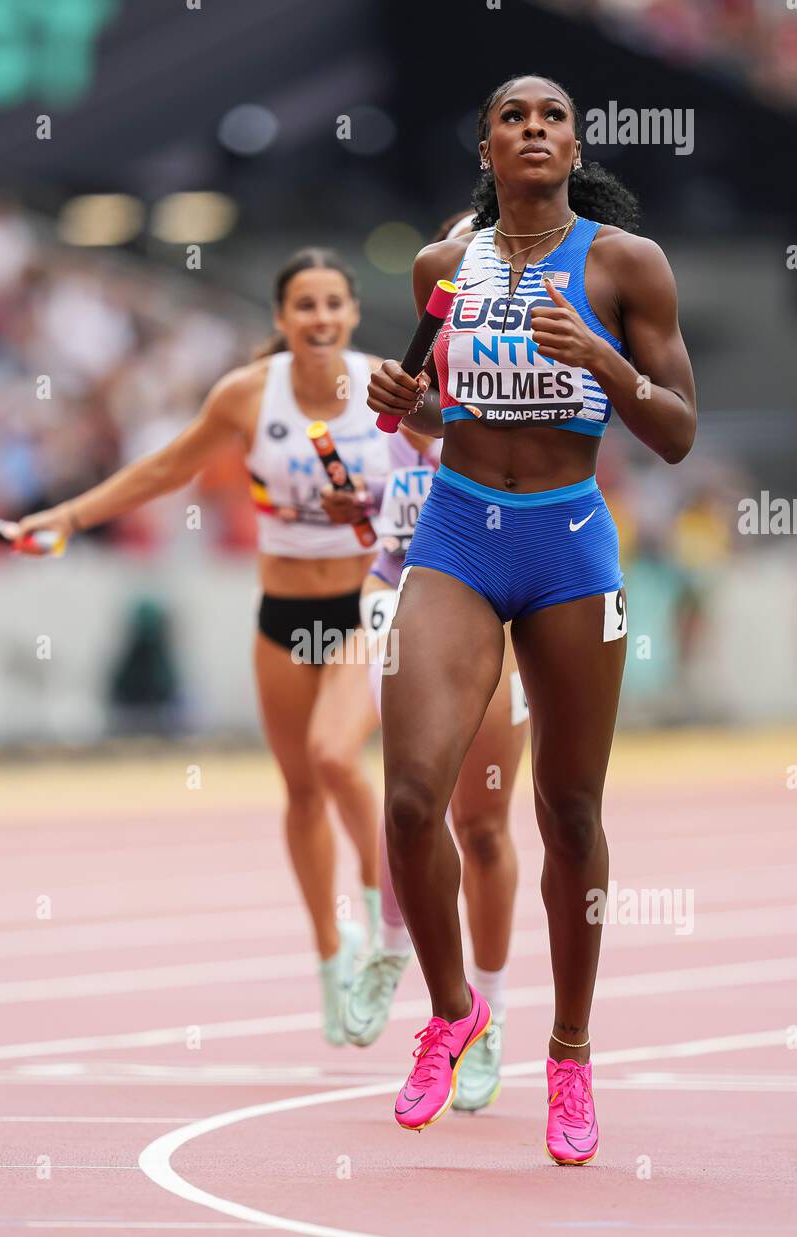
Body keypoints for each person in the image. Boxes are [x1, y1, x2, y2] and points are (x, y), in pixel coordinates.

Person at [367, 74, 696, 1159]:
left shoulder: (621, 265)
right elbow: (427, 413)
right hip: (459, 534)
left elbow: (679, 432)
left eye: (552, 115)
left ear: (574, 142)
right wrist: (410, 412)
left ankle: (568, 1053)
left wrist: (601, 359)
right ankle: (457, 1009)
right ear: (486, 147)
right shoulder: (439, 268)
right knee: (412, 799)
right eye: (512, 116)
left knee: (568, 814)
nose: (533, 129)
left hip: (567, 543)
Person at [13, 248, 394, 1044]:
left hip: (365, 607)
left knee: (334, 757)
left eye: (333, 304)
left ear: (353, 314)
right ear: (282, 320)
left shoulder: (388, 389)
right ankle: (331, 959)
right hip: (283, 613)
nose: (320, 319)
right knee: (299, 793)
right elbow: (165, 468)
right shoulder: (248, 396)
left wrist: (371, 506)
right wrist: (71, 517)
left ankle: (379, 921)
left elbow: (445, 478)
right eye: (305, 306)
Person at [319, 210, 529, 1114]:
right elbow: (368, 505)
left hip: (494, 608)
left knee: (482, 827)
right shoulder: (383, 381)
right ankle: (394, 948)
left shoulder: (522, 383)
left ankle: (492, 1012)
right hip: (393, 600)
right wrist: (350, 511)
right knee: (403, 790)